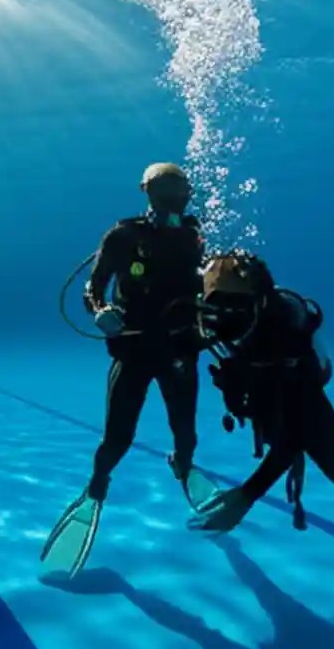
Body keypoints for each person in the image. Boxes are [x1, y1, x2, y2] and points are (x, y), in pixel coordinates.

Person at [40, 162, 218, 579]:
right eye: (165, 187)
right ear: (147, 191)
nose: (175, 196)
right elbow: (93, 285)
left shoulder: (195, 237)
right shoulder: (124, 236)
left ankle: (183, 465)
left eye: (181, 188)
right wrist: (100, 311)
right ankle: (96, 488)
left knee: (186, 434)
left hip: (178, 351)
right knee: (118, 439)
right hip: (135, 350)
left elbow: (208, 287)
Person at [188, 252, 334, 534]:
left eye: (237, 307)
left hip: (303, 393)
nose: (227, 320)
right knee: (275, 433)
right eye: (217, 307)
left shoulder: (284, 334)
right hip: (264, 390)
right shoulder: (215, 323)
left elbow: (294, 438)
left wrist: (246, 496)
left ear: (258, 302)